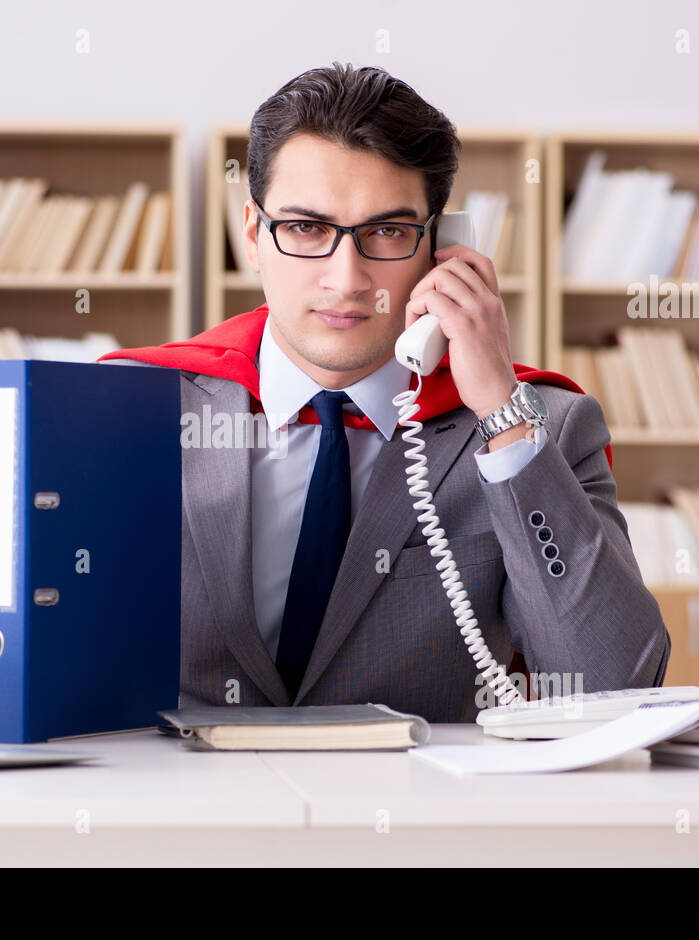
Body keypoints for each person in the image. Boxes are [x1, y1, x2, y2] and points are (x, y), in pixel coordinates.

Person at [100, 61, 669, 721]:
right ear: (254, 237)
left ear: (442, 248)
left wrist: (499, 409)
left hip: (417, 817)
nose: (346, 279)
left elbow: (620, 687)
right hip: (180, 813)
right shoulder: (132, 408)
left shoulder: (544, 427)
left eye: (388, 232)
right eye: (307, 228)